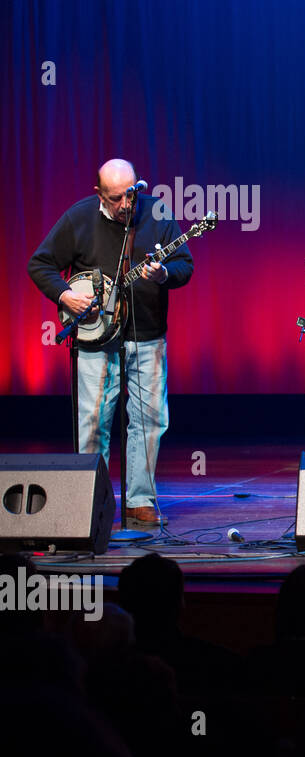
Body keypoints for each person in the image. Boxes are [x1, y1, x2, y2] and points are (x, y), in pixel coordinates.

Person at [28, 159, 193, 529]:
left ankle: (139, 501)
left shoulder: (159, 212)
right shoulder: (79, 217)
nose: (126, 203)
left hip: (147, 336)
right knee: (92, 422)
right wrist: (65, 296)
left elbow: (185, 265)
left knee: (150, 420)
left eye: (132, 193)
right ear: (99, 193)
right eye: (117, 197)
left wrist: (164, 273)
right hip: (95, 341)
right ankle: (91, 500)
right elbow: (40, 264)